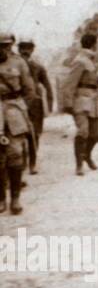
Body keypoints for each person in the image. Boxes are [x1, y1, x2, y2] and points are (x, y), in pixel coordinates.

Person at [0, 33, 35, 213]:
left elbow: (30, 90)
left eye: (5, 46)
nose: (3, 49)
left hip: (13, 110)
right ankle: (0, 199)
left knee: (16, 154)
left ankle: (15, 198)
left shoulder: (19, 63)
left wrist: (21, 109)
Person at [66, 31, 98, 178]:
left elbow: (93, 78)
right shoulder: (80, 60)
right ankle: (79, 165)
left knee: (96, 133)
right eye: (97, 43)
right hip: (82, 98)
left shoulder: (92, 59)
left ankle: (87, 155)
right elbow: (70, 82)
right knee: (83, 132)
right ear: (93, 44)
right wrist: (68, 103)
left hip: (94, 98)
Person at [16, 40, 53, 172]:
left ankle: (32, 163)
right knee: (18, 134)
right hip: (17, 103)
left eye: (29, 48)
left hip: (35, 105)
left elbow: (48, 86)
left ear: (32, 50)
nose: (26, 51)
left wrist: (49, 104)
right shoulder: (14, 65)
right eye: (23, 48)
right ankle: (21, 162)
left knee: (34, 134)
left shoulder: (38, 67)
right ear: (18, 50)